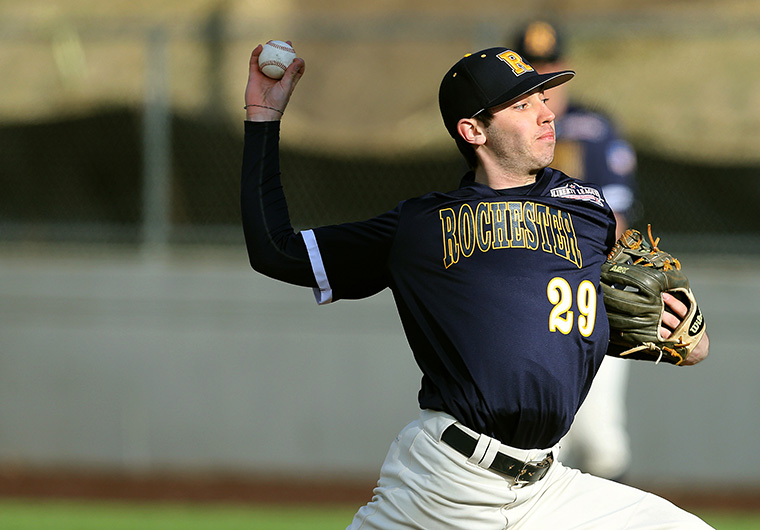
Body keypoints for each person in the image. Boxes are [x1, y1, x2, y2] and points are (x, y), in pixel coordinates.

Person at [241, 41, 712, 529]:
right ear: (473, 130)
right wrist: (262, 118)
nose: (546, 114)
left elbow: (595, 319)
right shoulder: (423, 227)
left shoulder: (587, 208)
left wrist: (676, 333)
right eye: (523, 104)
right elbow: (276, 250)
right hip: (443, 486)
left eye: (543, 99)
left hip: (544, 489)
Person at [512, 20, 638, 481]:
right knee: (540, 448)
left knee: (602, 444)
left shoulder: (593, 127)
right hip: (528, 305)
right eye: (531, 67)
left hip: (587, 300)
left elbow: (618, 223)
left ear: (564, 69)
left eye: (549, 66)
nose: (543, 78)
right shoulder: (500, 134)